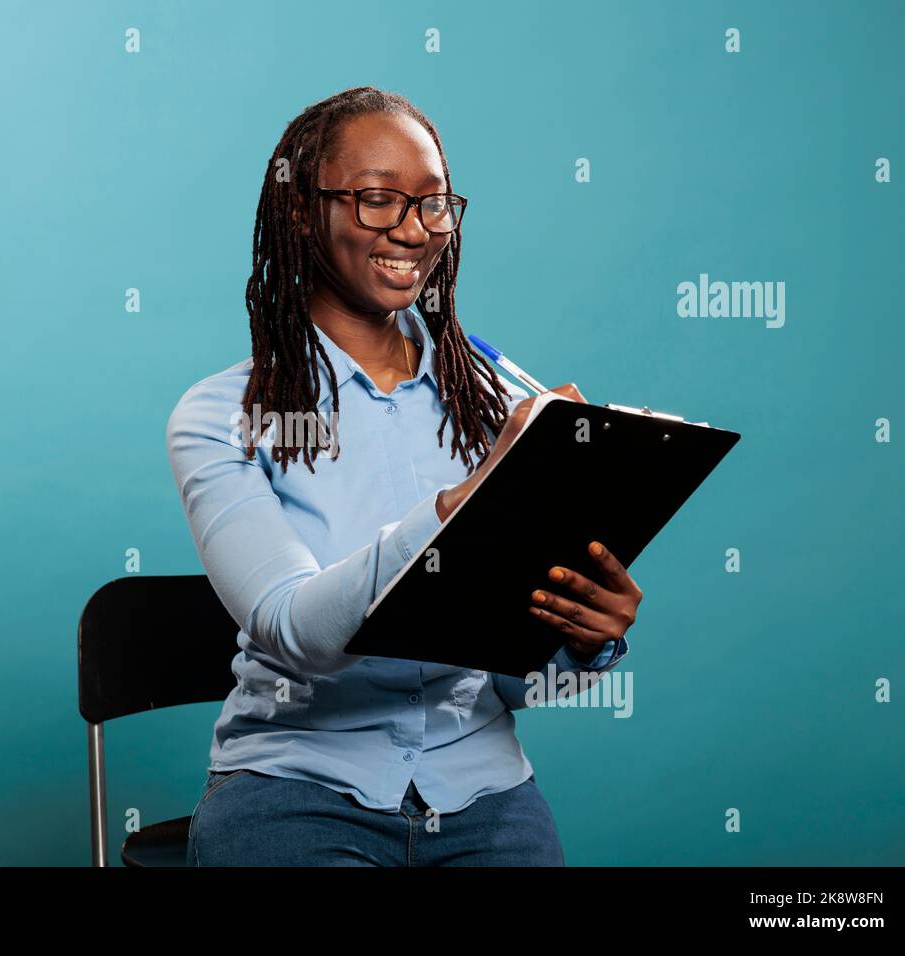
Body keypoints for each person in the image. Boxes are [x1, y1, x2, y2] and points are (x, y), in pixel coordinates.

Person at [165, 87, 644, 866]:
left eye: (433, 205)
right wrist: (470, 497)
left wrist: (579, 642)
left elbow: (514, 682)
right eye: (379, 200)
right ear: (299, 212)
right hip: (297, 792)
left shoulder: (496, 404)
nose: (414, 231)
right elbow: (296, 631)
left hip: (483, 792)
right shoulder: (222, 414)